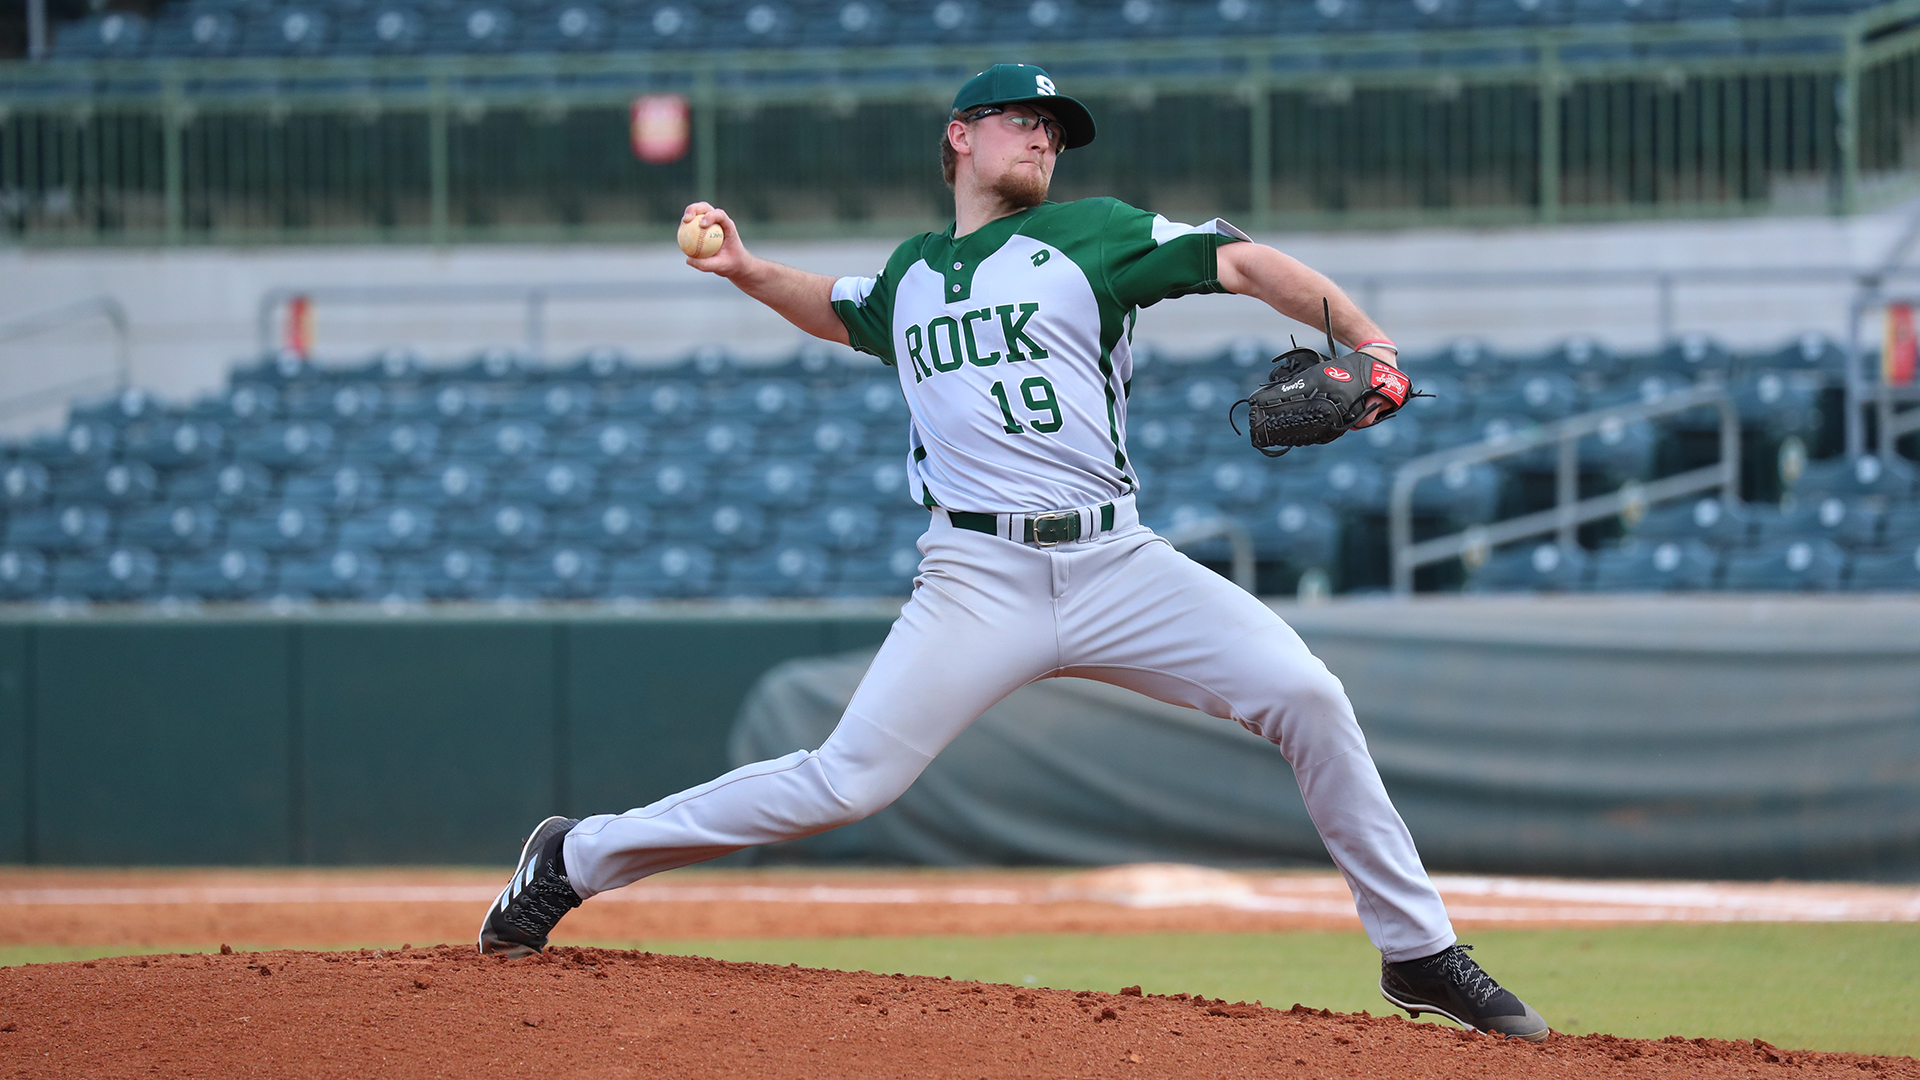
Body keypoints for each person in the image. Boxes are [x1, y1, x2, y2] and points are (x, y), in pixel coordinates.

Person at [479, 63, 1548, 1042]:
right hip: (975, 576)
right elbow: (840, 307)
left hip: (1119, 564)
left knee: (1308, 696)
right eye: (1020, 121)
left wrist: (1373, 347)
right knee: (843, 784)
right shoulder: (911, 274)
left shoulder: (1094, 235)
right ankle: (574, 857)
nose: (1042, 138)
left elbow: (1243, 259)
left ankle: (1416, 951)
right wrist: (748, 270)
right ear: (960, 137)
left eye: (1053, 128)